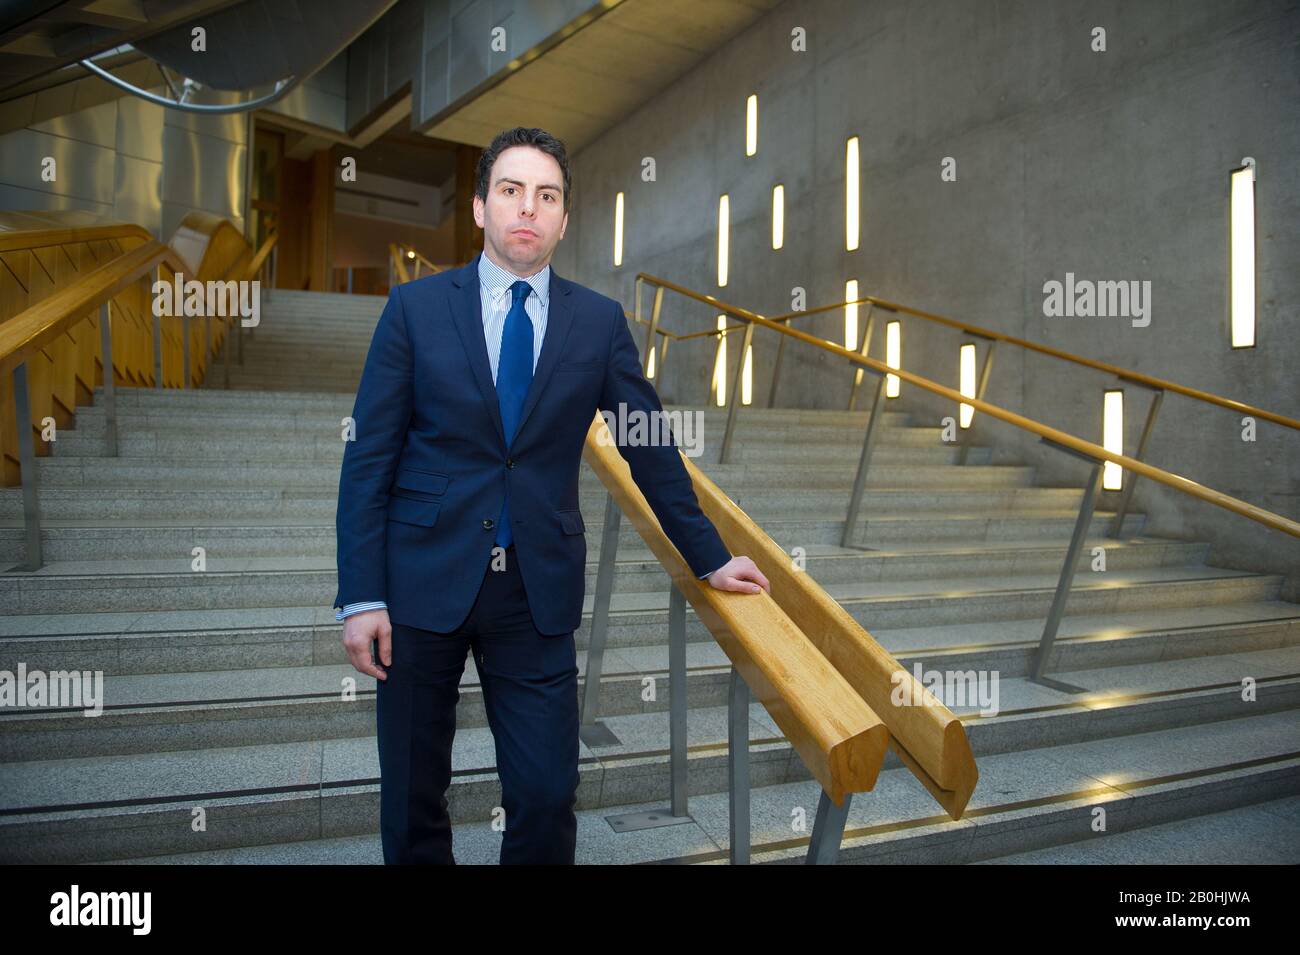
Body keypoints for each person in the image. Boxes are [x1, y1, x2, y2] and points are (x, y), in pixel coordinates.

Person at [333, 126, 770, 864]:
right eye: (510, 191)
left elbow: (646, 441)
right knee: (411, 793)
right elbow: (368, 459)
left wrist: (709, 555)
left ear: (565, 218)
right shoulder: (414, 309)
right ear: (479, 207)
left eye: (546, 196)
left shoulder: (596, 323)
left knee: (542, 794)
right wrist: (361, 595)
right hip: (419, 584)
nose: (527, 209)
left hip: (534, 590)